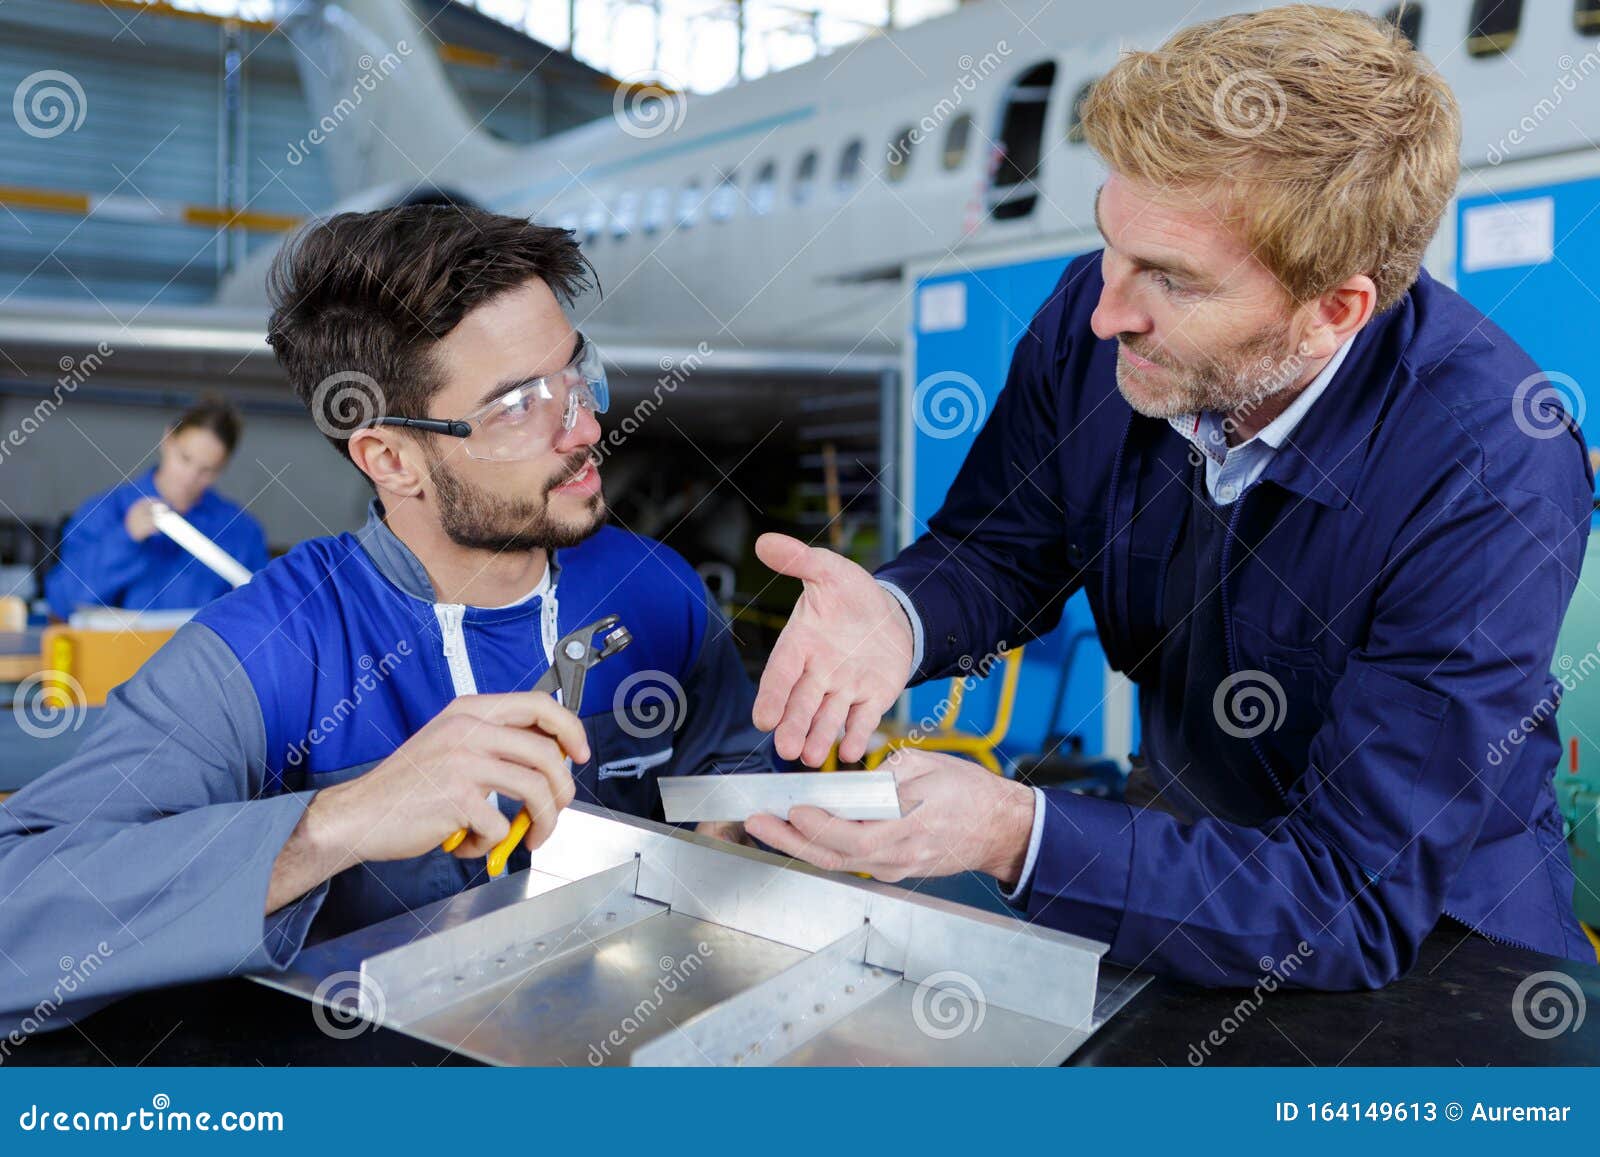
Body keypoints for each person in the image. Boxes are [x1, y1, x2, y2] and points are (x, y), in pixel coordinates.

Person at [743, 6, 1597, 988]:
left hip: (1435, 964)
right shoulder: (1094, 315)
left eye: (1172, 280)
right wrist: (898, 616)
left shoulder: (1484, 471)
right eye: (1112, 242)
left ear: (1334, 310)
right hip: (1178, 886)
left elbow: (1351, 900)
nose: (1106, 308)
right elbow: (1000, 543)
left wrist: (1015, 830)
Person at [0, 206, 770, 1034]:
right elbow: (18, 910)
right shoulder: (265, 654)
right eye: (518, 406)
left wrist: (768, 817)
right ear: (391, 458)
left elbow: (722, 783)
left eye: (577, 378)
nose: (585, 428)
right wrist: (336, 822)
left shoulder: (658, 591)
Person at [43, 397, 268, 618]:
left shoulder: (241, 532)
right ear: (168, 439)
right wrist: (125, 538)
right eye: (185, 458)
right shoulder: (104, 512)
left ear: (222, 468)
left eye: (207, 470)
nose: (189, 478)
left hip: (197, 655)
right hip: (116, 654)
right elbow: (62, 601)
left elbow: (261, 615)